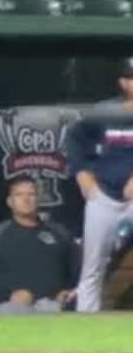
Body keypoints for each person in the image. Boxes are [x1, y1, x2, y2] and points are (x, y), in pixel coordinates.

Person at [62, 59, 133, 312]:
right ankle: (86, 325)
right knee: (93, 267)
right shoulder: (105, 111)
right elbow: (74, 138)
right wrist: (81, 172)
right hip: (104, 195)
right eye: (132, 77)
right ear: (123, 82)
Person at [0, 178, 78, 314]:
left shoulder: (60, 233)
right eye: (19, 195)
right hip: (12, 307)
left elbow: (75, 274)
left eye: (31, 194)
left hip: (53, 307)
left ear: (38, 199)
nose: (26, 199)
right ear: (10, 201)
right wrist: (10, 295)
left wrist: (66, 293)